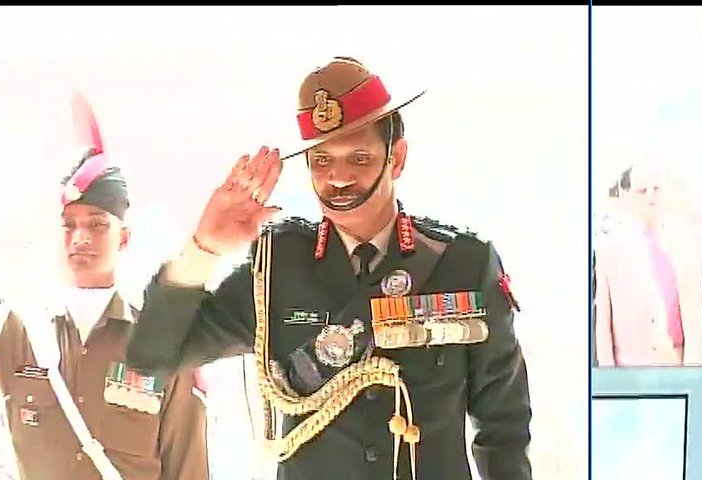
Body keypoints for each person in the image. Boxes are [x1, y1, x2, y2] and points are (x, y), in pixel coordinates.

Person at [124, 57, 532, 480]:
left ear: (396, 158)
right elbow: (151, 356)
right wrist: (204, 248)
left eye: (359, 158)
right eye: (321, 160)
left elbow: (504, 425)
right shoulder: (276, 268)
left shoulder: (462, 265)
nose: (338, 178)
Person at [0, 117, 209, 480]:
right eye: (69, 225)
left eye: (97, 224)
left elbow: (188, 466)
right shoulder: (16, 330)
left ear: (123, 237)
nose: (80, 237)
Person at [594, 164, 702, 367]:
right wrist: (608, 377)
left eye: (656, 189)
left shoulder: (690, 244)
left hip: (684, 367)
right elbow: (603, 327)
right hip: (631, 371)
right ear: (629, 196)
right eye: (642, 191)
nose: (650, 197)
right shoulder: (610, 250)